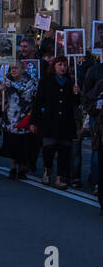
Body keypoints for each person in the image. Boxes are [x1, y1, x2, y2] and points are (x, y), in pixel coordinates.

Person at [32, 55, 79, 189]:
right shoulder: (46, 80)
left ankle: (60, 177)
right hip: (50, 120)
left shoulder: (70, 82)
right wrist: (34, 120)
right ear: (54, 66)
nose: (63, 68)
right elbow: (38, 101)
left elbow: (75, 103)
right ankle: (47, 170)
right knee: (49, 148)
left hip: (66, 121)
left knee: (64, 151)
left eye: (65, 65)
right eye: (60, 65)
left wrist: (76, 93)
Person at [0, 60, 38, 180]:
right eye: (11, 68)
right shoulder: (6, 81)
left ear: (22, 69)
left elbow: (29, 97)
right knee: (12, 144)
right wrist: (1, 91)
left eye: (16, 68)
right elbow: (1, 102)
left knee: (24, 144)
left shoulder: (31, 82)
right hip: (10, 118)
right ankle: (12, 167)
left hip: (24, 117)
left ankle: (22, 168)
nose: (13, 70)